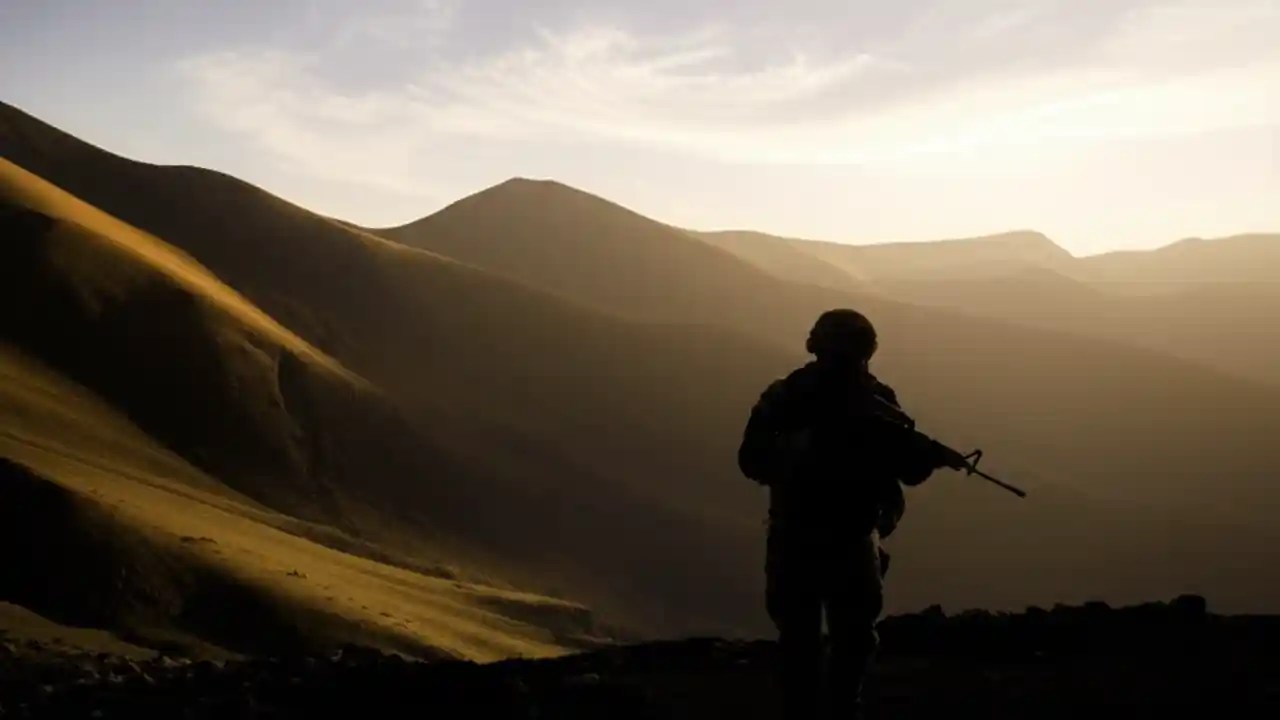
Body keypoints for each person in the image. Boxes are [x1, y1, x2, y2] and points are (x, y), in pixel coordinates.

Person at [737, 308, 967, 719]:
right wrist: (809, 447)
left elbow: (906, 467)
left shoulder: (873, 402)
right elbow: (752, 459)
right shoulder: (790, 397)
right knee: (809, 640)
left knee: (846, 640)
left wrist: (924, 456)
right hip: (810, 535)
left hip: (842, 534)